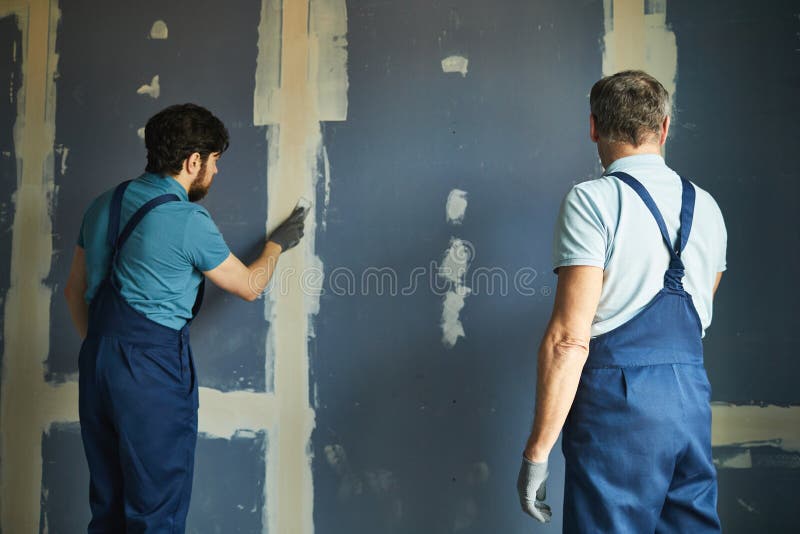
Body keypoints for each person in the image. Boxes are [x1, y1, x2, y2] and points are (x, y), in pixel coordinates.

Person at [63, 103, 306, 532]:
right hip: (150, 372)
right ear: (193, 161)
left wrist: (102, 349)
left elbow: (73, 291)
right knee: (156, 513)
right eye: (214, 162)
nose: (216, 172)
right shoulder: (188, 219)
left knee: (108, 507)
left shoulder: (103, 204)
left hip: (97, 364)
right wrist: (276, 246)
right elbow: (249, 286)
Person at [516, 71, 727, 532]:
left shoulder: (593, 201)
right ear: (665, 127)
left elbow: (569, 341)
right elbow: (699, 313)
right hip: (690, 400)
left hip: (619, 407)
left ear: (593, 127)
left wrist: (537, 453)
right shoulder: (707, 207)